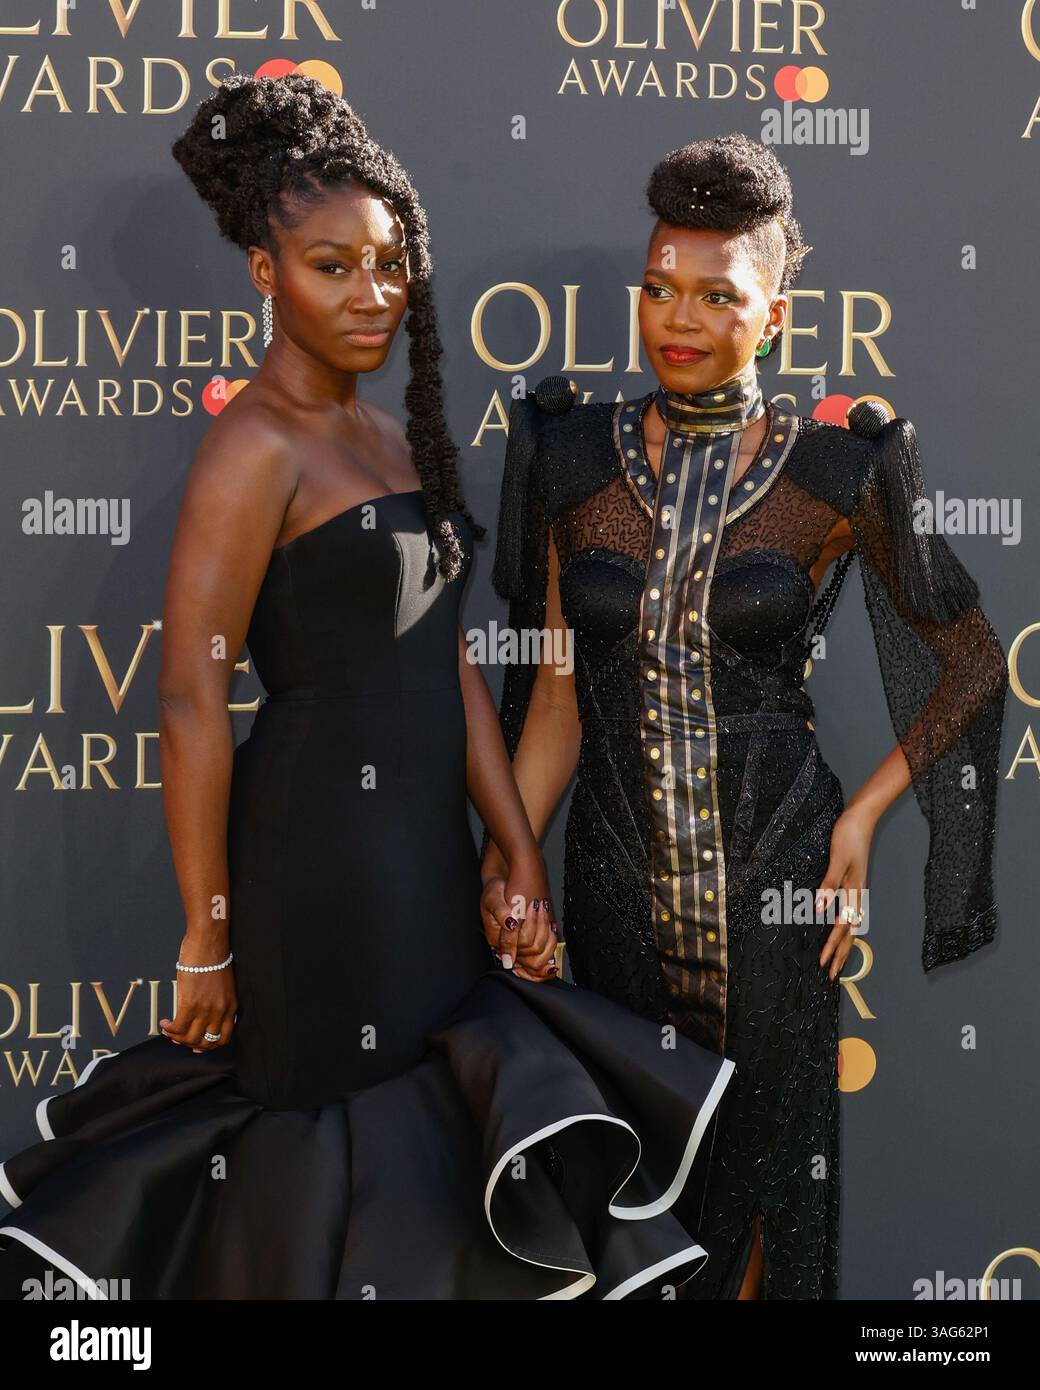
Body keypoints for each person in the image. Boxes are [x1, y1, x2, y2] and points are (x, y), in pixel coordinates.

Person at [0, 76, 736, 1302]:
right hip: (311, 867)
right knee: (323, 1139)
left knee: (423, 1157)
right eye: (332, 265)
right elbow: (190, 698)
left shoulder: (395, 440)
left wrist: (512, 850)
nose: (372, 294)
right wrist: (205, 934)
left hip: (421, 858)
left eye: (391, 264)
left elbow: (442, 661)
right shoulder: (252, 447)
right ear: (262, 273)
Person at [479, 133, 1008, 1300]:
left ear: (771, 312)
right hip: (612, 890)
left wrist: (865, 817)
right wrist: (508, 858)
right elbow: (557, 693)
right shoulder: (567, 456)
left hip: (777, 891)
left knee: (766, 1191)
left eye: (717, 294)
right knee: (633, 1203)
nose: (679, 315)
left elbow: (970, 664)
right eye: (659, 286)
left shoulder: (841, 469)